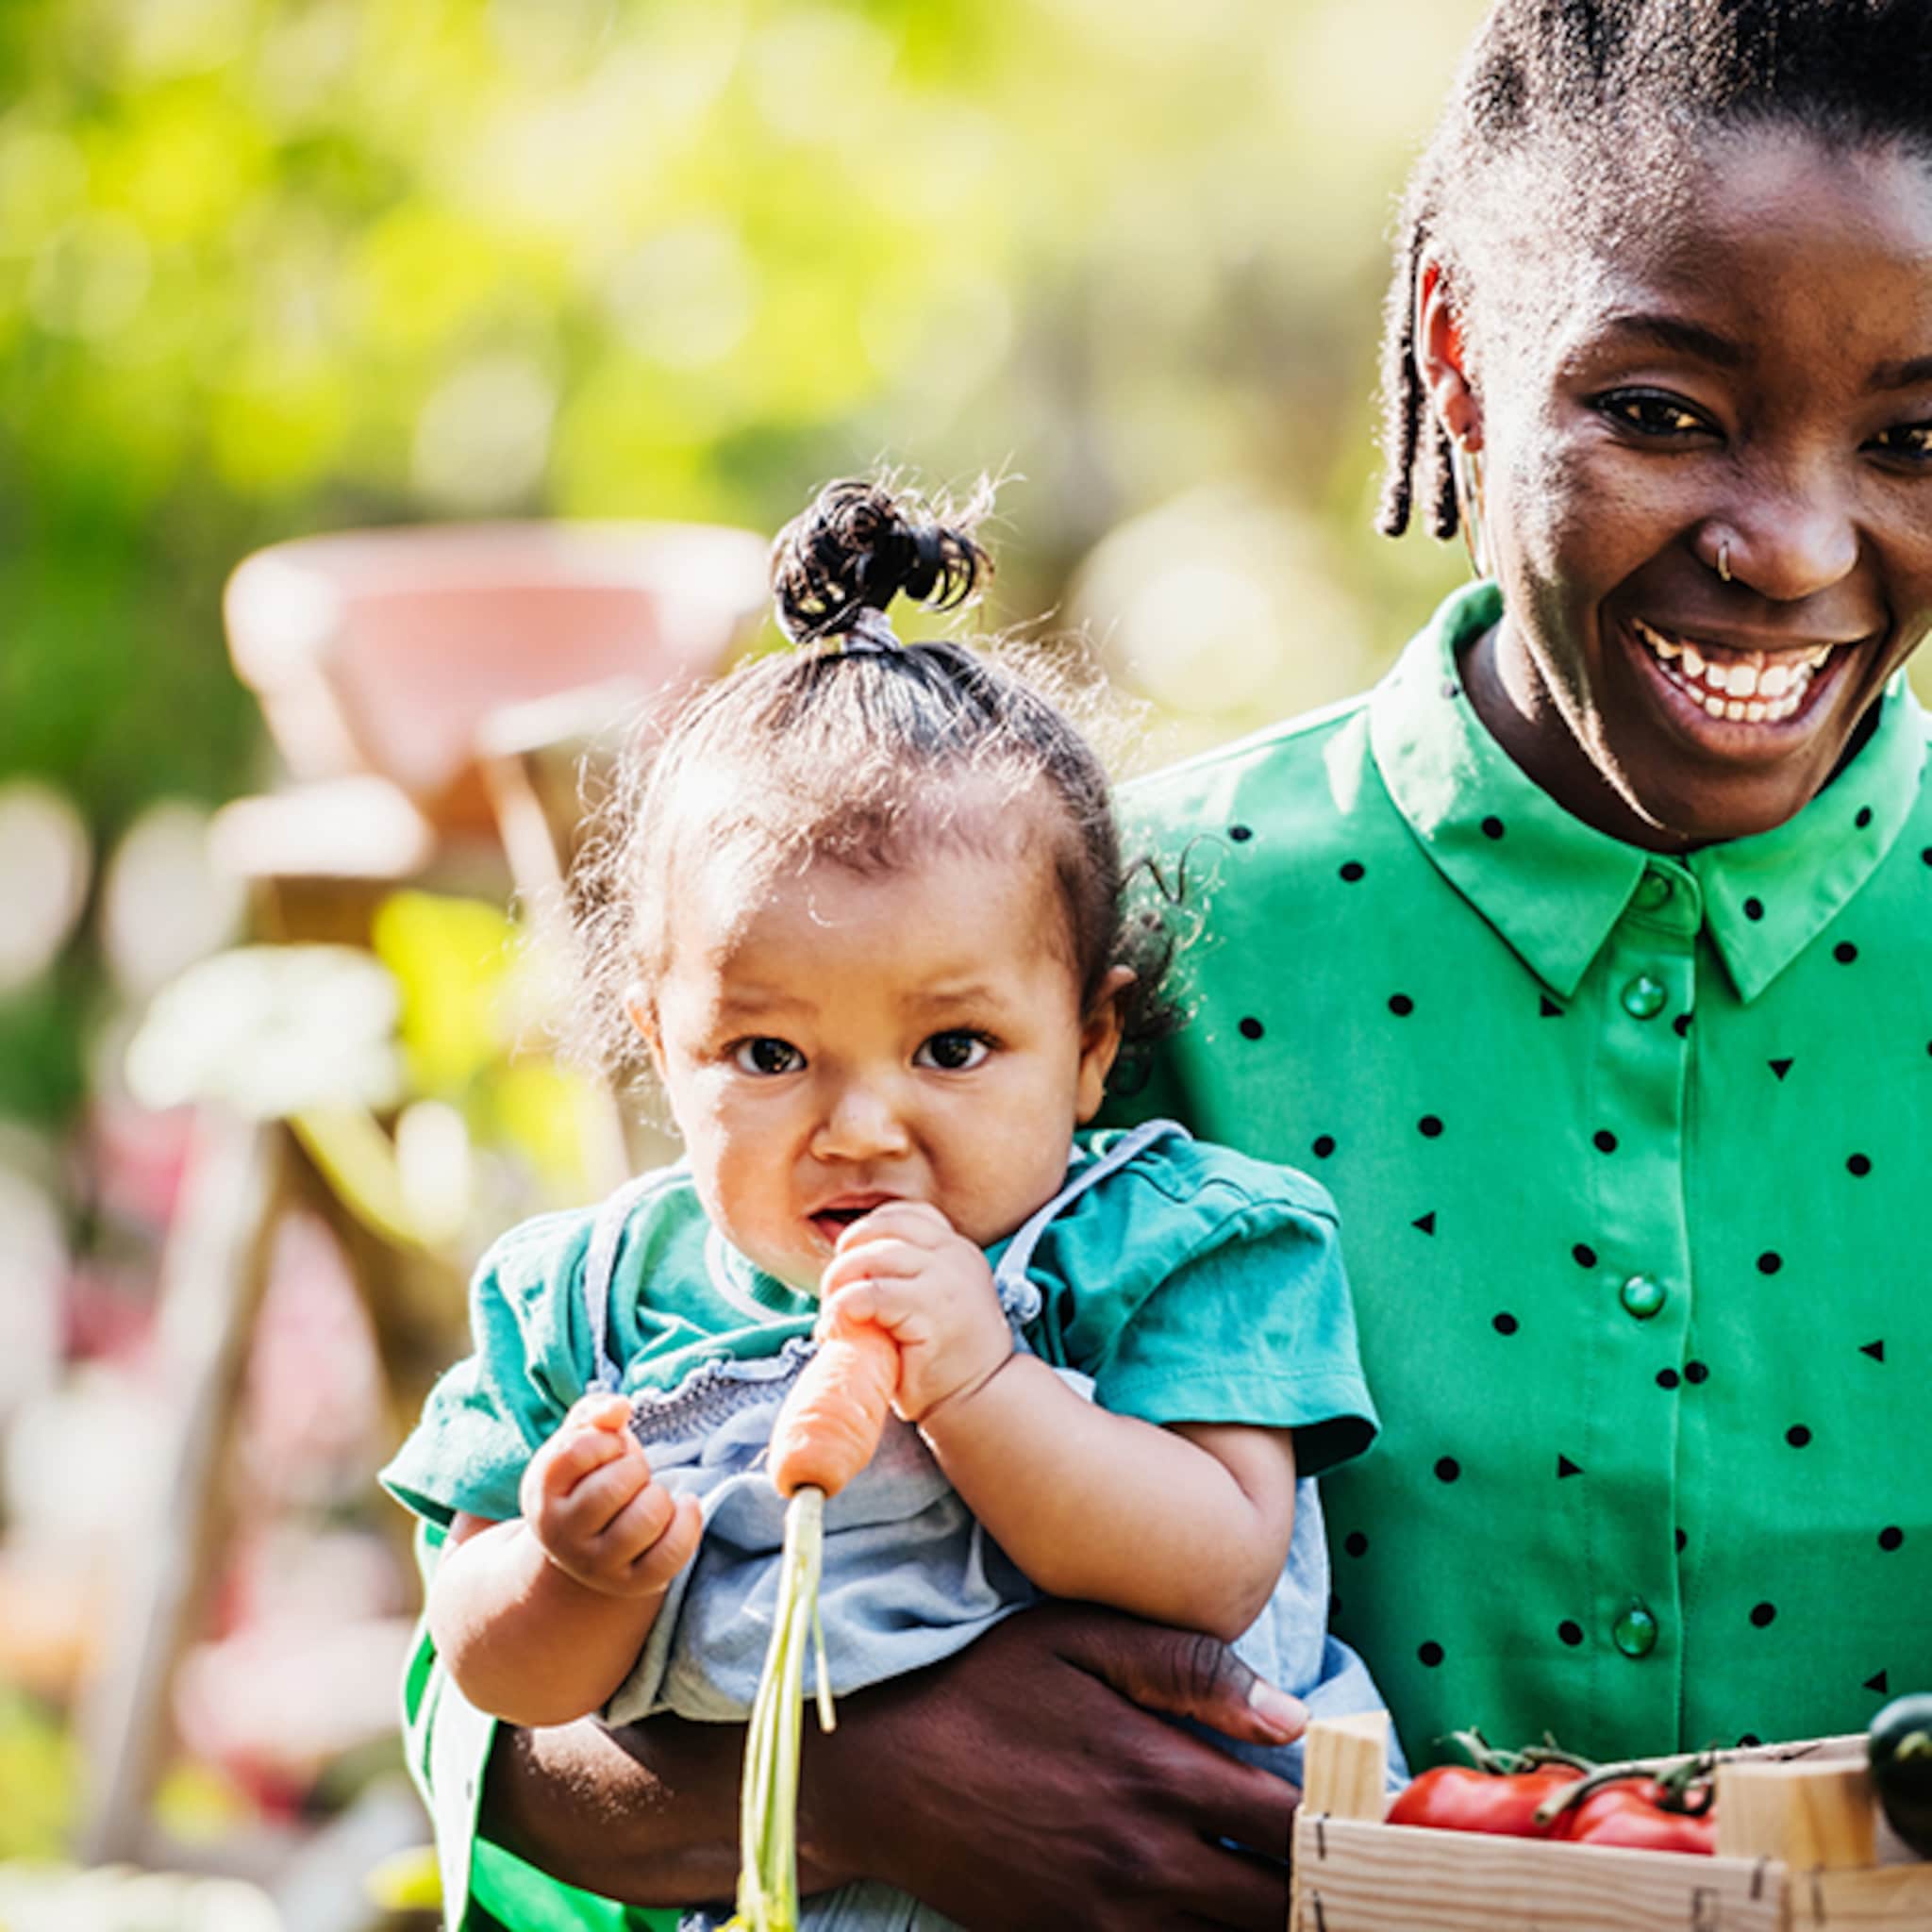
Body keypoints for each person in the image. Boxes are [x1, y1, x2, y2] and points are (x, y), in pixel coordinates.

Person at [399, 3, 1932, 1926]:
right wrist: (866, 1778)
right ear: (1456, 355)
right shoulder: (1067, 943)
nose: (1791, 543)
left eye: (1916, 439)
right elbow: (501, 1737)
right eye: (1657, 410)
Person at [383, 479, 1392, 1931]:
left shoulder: (1179, 1244)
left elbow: (1219, 1566)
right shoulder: (589, 1303)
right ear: (664, 1046)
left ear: (1096, 1044)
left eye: (953, 1049)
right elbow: (494, 1676)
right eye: (772, 1055)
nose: (863, 1129)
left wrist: (981, 1381)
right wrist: (570, 1570)